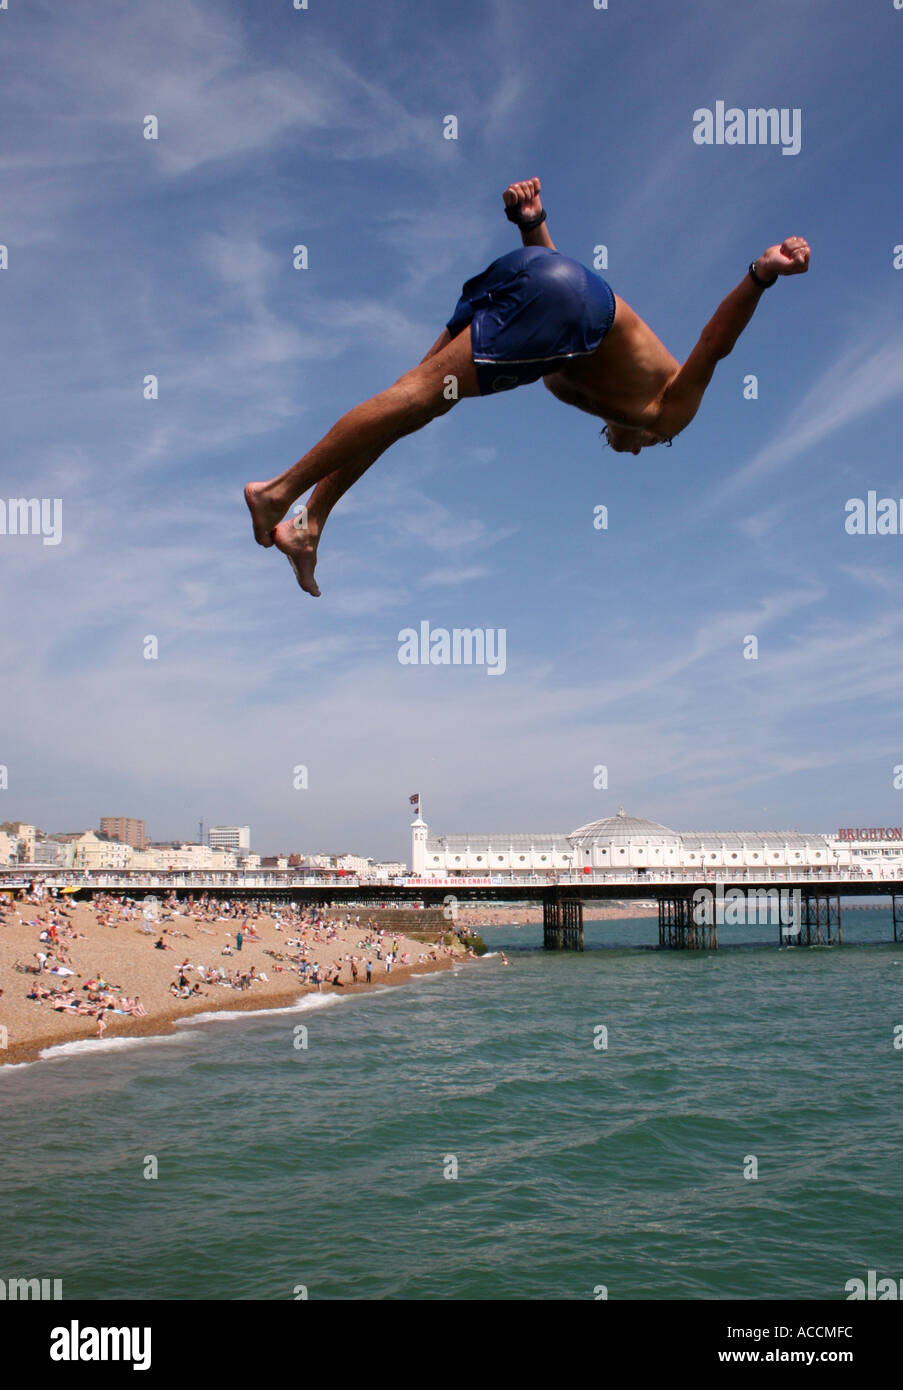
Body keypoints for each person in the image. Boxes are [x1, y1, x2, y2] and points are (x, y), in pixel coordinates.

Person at [244, 176, 810, 596]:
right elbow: (713, 346)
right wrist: (761, 275)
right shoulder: (668, 414)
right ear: (647, 438)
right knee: (416, 400)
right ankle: (278, 492)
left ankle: (311, 523)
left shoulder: (574, 384)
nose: (633, 451)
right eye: (642, 448)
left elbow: (553, 280)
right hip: (564, 298)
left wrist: (531, 223)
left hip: (527, 274)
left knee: (410, 404)